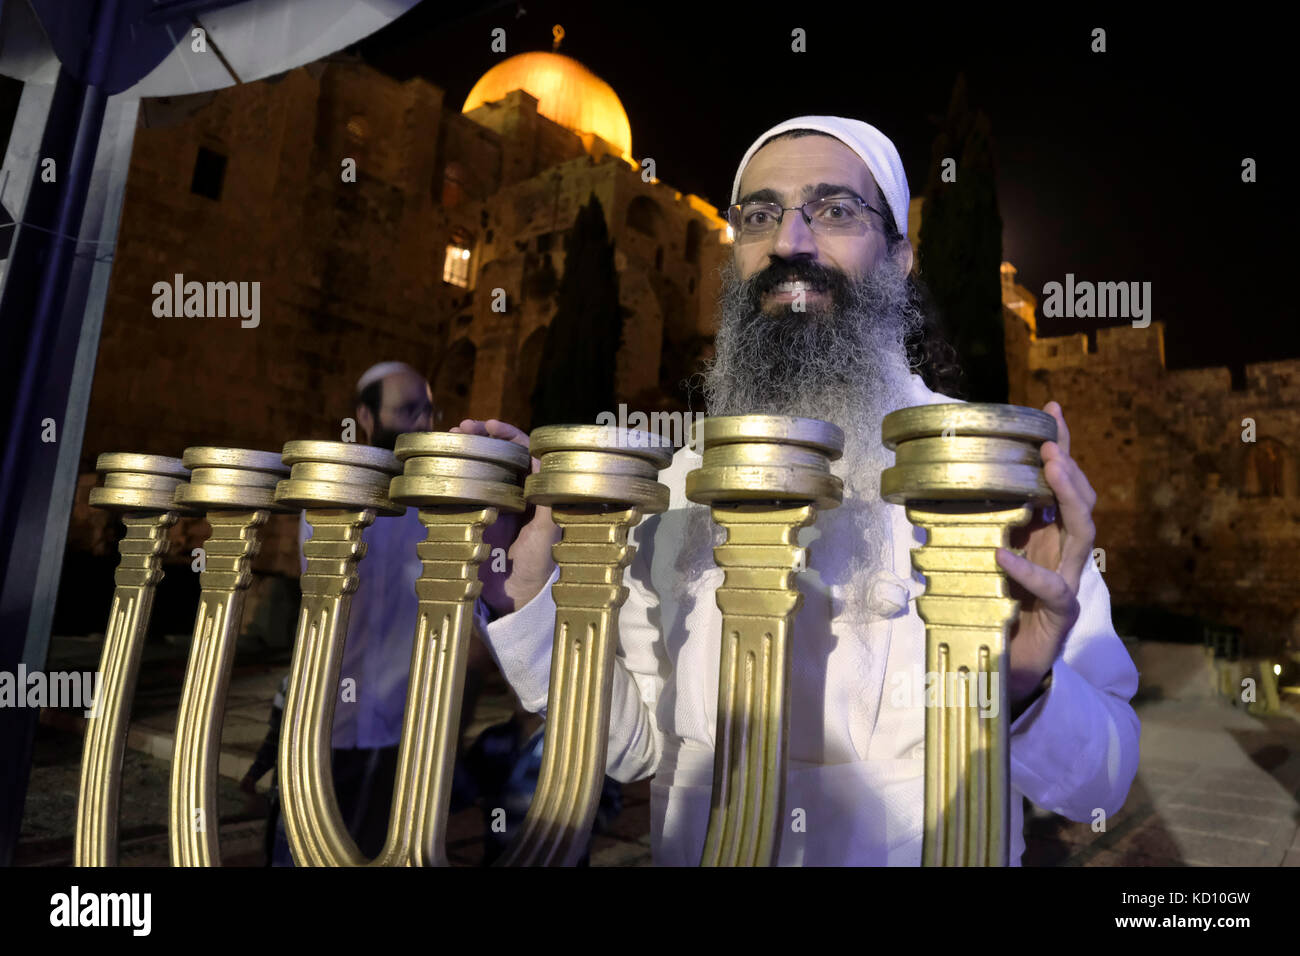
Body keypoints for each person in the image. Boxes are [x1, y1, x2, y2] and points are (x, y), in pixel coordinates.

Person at [454, 115, 1141, 866]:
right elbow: (638, 746)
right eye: (759, 215)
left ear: (902, 257)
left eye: (836, 211)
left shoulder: (986, 475)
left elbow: (1102, 783)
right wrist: (531, 597)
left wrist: (1024, 686)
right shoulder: (685, 484)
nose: (790, 244)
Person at [270, 360, 492, 864]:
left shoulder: (443, 507)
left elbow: (468, 624)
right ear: (365, 417)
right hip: (319, 723)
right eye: (407, 410)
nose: (423, 423)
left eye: (429, 411)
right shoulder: (331, 497)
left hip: (405, 732)